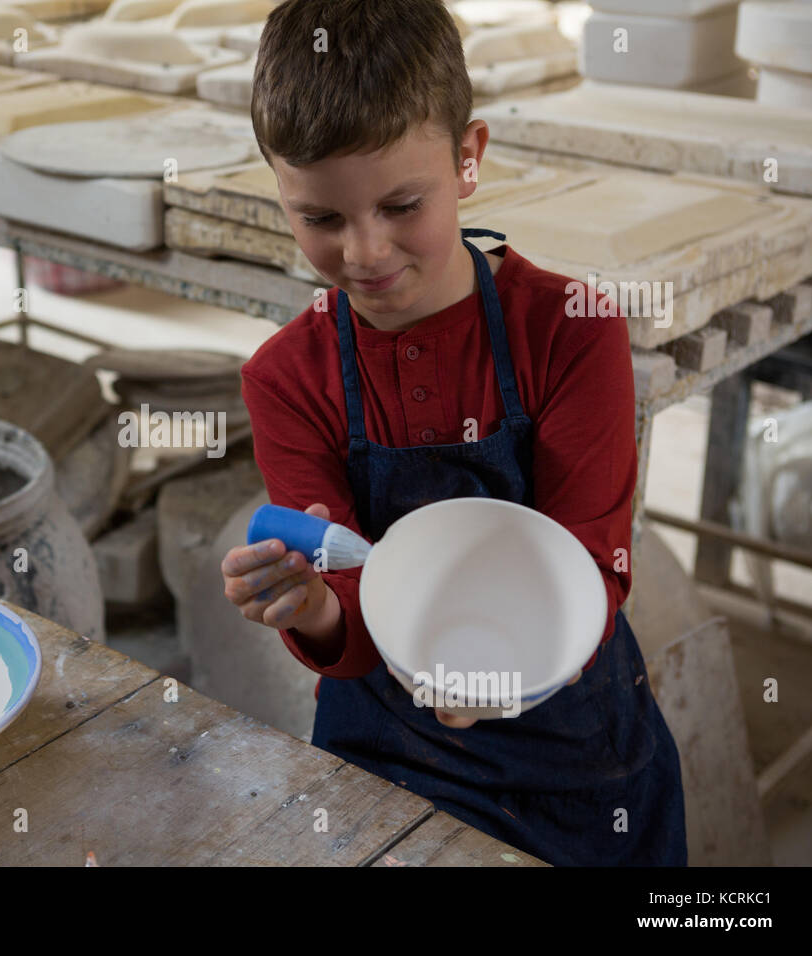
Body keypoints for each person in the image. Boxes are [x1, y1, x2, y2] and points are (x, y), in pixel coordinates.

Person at [221, 0, 687, 866]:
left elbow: (591, 565)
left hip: (576, 748)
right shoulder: (287, 378)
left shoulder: (572, 332)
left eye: (401, 204)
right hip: (391, 750)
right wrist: (315, 608)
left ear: (468, 157)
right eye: (320, 218)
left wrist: (501, 679)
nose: (363, 252)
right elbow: (343, 594)